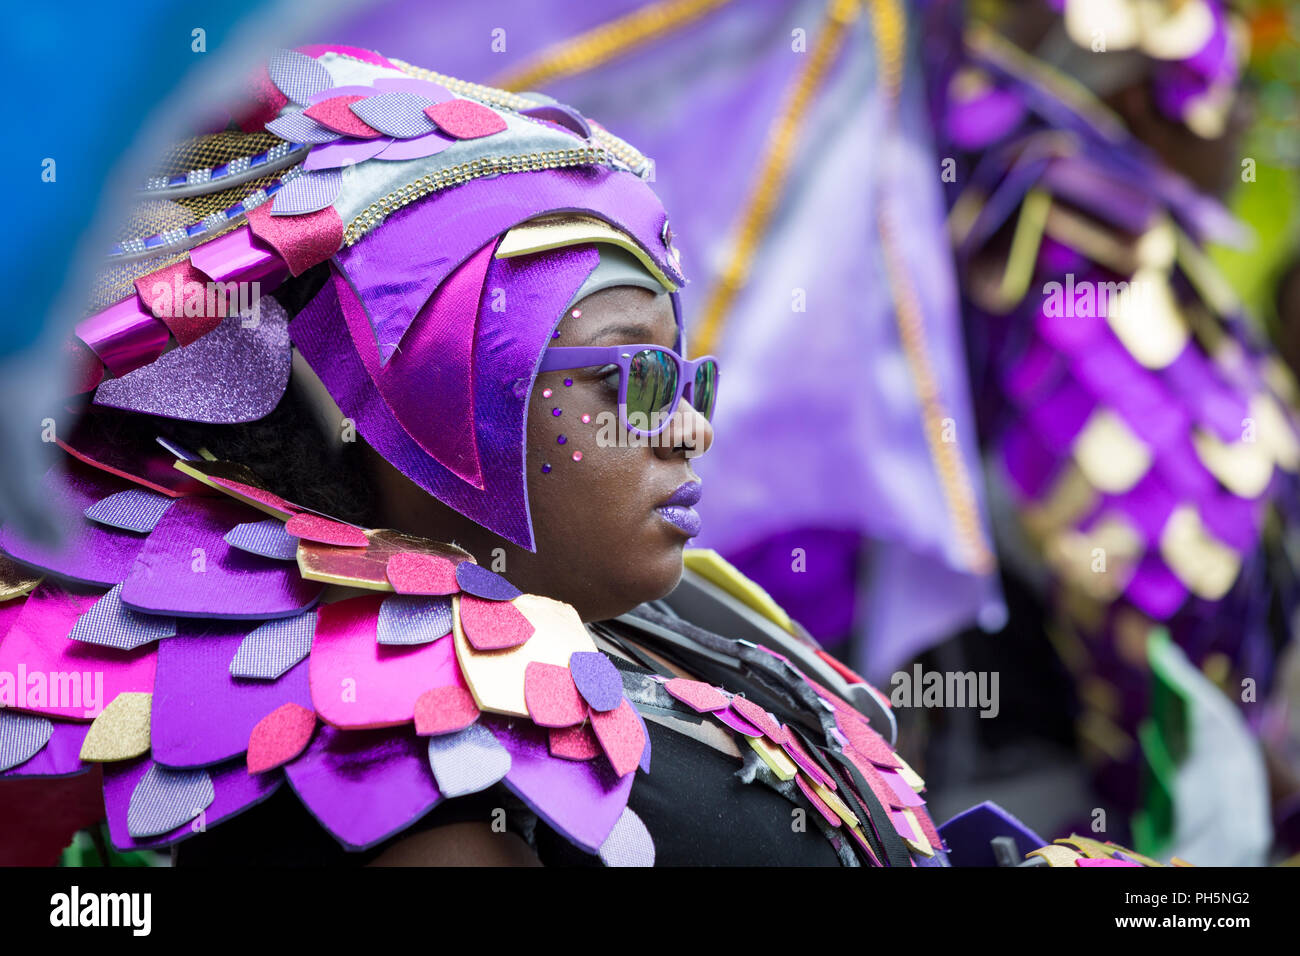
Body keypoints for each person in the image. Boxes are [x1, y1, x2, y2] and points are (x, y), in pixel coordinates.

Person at [0, 43, 1162, 868]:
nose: (688, 425)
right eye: (625, 377)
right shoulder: (395, 735)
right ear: (428, 401)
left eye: (687, 377)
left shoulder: (668, 619)